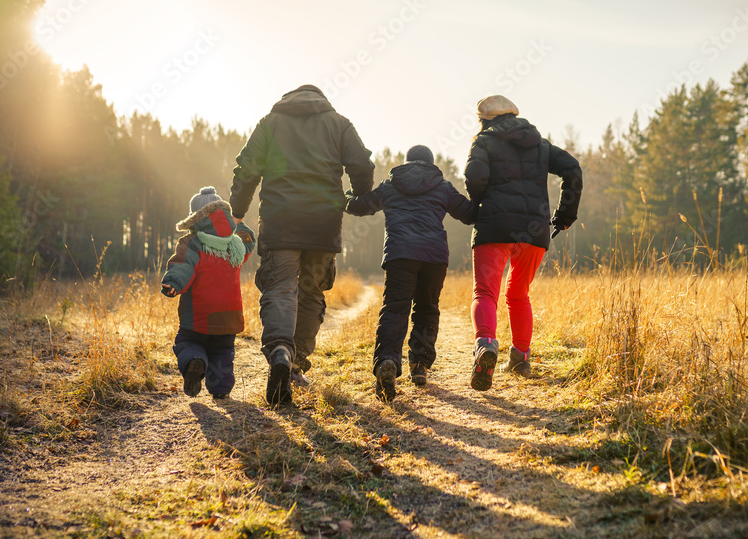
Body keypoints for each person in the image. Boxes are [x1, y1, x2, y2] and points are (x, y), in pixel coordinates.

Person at [228, 84, 374, 407]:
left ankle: (280, 350)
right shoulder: (339, 123)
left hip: (281, 221)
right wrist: (360, 195)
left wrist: (237, 210)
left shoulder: (271, 122)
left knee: (280, 286)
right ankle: (293, 364)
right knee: (310, 291)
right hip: (323, 224)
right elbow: (362, 165)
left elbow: (247, 167)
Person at [464, 95, 582, 391]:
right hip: (534, 231)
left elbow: (474, 176)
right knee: (518, 294)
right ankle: (520, 358)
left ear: (485, 119)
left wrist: (479, 204)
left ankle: (487, 345)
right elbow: (573, 170)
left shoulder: (483, 141)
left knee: (485, 291)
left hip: (495, 226)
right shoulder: (540, 144)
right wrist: (564, 214)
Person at [345, 145, 477, 401]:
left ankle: (387, 361)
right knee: (427, 308)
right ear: (431, 163)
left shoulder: (391, 185)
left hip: (400, 254)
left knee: (395, 308)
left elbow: (360, 207)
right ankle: (420, 365)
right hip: (434, 257)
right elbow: (470, 214)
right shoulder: (443, 186)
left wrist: (347, 196)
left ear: (406, 163)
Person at [162, 186, 256, 400]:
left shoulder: (193, 242)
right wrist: (235, 222)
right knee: (222, 352)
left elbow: (183, 266)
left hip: (199, 315)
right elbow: (249, 238)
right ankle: (221, 389)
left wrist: (173, 283)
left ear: (195, 218)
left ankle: (195, 360)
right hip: (229, 316)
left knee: (186, 342)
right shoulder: (236, 244)